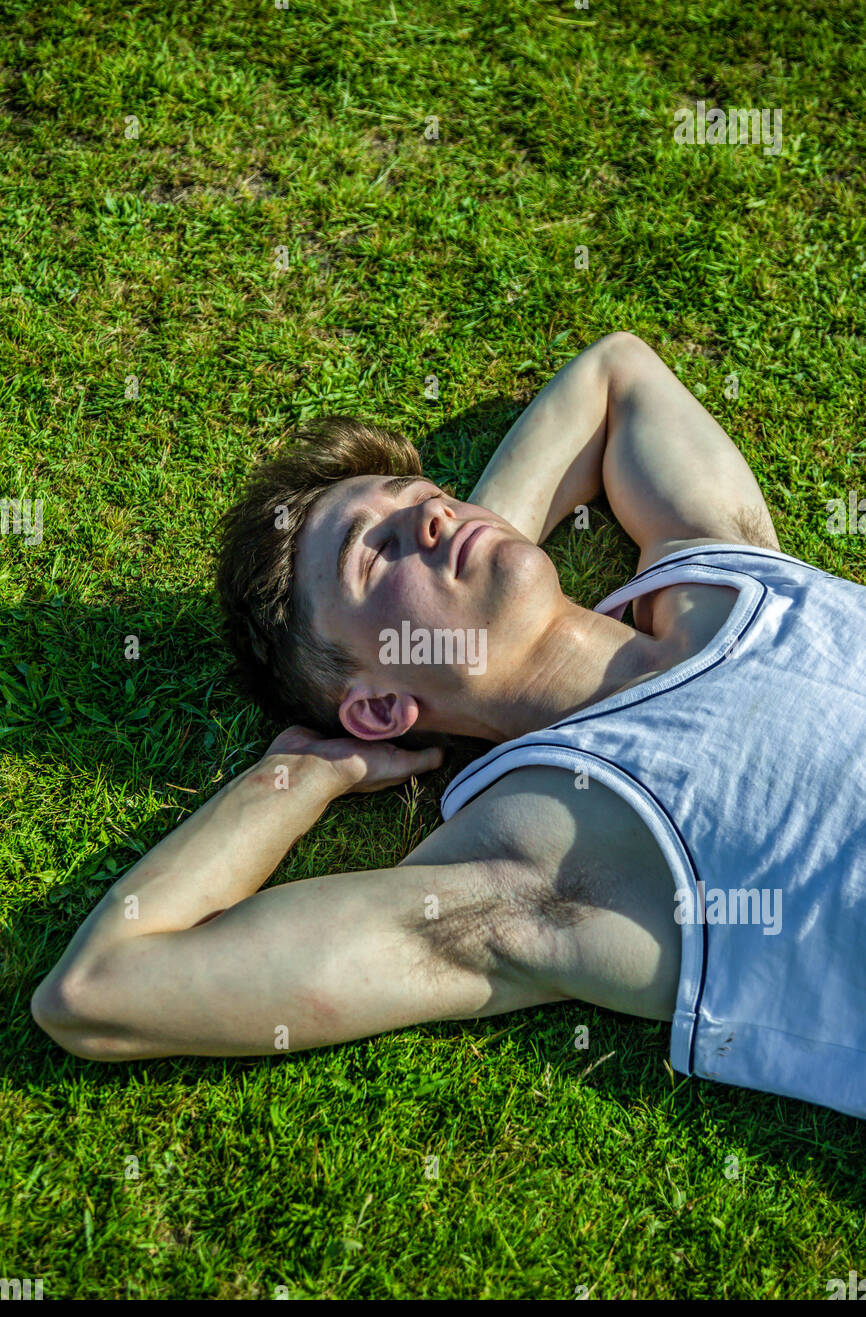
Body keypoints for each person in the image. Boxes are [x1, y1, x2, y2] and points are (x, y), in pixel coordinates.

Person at [30, 332, 866, 1121]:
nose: (434, 517)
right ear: (381, 707)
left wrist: (477, 540)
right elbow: (99, 991)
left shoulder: (723, 567)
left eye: (428, 498)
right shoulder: (539, 852)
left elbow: (618, 371)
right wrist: (295, 777)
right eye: (380, 553)